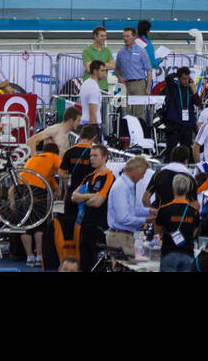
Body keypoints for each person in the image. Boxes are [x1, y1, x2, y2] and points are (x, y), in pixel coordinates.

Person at [71, 143, 116, 271]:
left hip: (99, 228)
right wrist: (89, 197)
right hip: (85, 226)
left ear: (104, 157)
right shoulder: (89, 177)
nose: (92, 159)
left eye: (95, 156)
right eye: (91, 156)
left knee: (98, 266)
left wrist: (83, 197)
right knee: (84, 264)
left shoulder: (108, 177)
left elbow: (97, 202)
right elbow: (73, 196)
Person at [155, 173, 200, 272]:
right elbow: (193, 234)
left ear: (173, 188)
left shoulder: (164, 209)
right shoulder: (194, 212)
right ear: (188, 190)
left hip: (168, 253)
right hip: (188, 253)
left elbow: (157, 231)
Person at [79, 61, 106, 126]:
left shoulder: (86, 83)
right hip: (91, 123)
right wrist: (94, 129)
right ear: (95, 71)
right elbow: (93, 112)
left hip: (85, 120)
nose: (105, 73)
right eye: (102, 71)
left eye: (105, 70)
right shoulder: (93, 87)